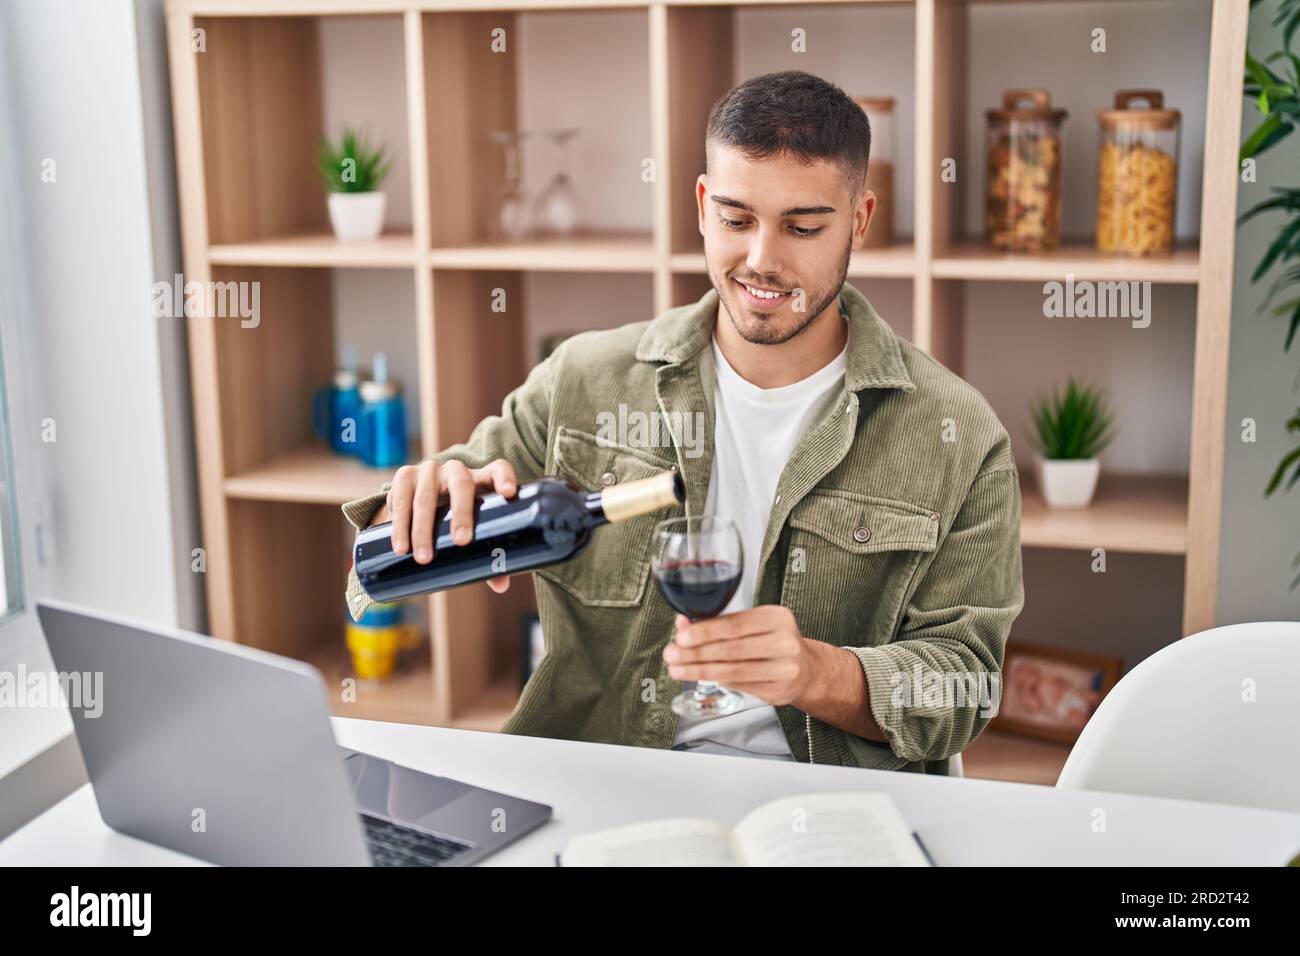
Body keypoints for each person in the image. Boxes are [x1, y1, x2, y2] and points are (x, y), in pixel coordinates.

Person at [342, 70, 1024, 774]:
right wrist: (421, 504)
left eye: (803, 226)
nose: (762, 260)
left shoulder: (959, 435)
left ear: (859, 219)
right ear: (702, 206)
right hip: (605, 787)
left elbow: (966, 689)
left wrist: (818, 674)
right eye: (736, 219)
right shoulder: (583, 379)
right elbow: (373, 570)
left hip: (831, 807)